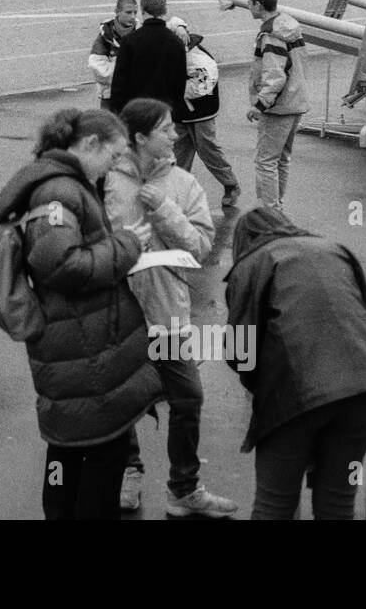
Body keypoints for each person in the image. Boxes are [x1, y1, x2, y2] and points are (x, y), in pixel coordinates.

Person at [0, 107, 163, 520]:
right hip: (83, 351)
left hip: (76, 346)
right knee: (99, 464)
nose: (116, 165)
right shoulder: (59, 192)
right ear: (90, 145)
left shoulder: (63, 184)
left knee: (66, 455)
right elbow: (62, 264)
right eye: (114, 155)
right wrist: (126, 246)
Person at [104, 97, 238, 518]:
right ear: (140, 137)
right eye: (166, 129)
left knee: (187, 399)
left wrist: (165, 211)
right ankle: (129, 471)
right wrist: (122, 249)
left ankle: (183, 487)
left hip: (167, 315)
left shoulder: (185, 184)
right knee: (119, 399)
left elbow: (200, 247)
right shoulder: (106, 182)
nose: (176, 135)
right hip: (120, 314)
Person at [224, 208, 366, 519]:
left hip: (295, 398)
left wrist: (260, 392)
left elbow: (240, 352)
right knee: (338, 503)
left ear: (242, 241)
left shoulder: (251, 264)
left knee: (273, 506)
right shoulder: (335, 250)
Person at [245, 0, 309, 210]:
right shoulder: (288, 25)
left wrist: (260, 105)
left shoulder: (271, 34)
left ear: (258, 5)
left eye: (249, 1)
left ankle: (269, 212)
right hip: (296, 101)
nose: (247, 5)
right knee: (282, 159)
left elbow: (274, 75)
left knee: (266, 161)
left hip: (278, 107)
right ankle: (277, 206)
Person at [167, 17, 241, 209]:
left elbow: (204, 84)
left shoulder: (197, 58)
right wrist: (180, 25)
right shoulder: (174, 43)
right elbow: (172, 20)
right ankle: (178, 193)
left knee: (207, 149)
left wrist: (171, 90)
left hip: (201, 109)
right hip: (181, 109)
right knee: (179, 152)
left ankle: (230, 183)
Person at [110, 0, 187, 114]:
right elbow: (179, 84)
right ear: (165, 10)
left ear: (142, 9)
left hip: (136, 111)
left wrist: (118, 112)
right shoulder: (176, 42)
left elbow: (119, 83)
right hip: (165, 112)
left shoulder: (130, 41)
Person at [89, 0, 138, 112]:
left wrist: (180, 26)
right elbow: (97, 66)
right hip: (110, 96)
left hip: (135, 96)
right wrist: (124, 74)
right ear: (117, 12)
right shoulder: (105, 36)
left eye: (135, 12)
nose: (133, 17)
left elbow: (164, 25)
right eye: (128, 12)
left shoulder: (140, 30)